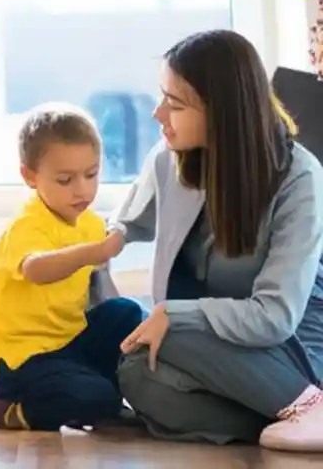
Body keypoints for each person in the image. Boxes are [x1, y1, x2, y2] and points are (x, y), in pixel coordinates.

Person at [113, 29, 323, 452]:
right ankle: (279, 417)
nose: (157, 114)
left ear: (223, 112)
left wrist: (174, 315)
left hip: (291, 349)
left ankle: (306, 401)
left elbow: (275, 316)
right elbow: (122, 227)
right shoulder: (169, 161)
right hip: (217, 346)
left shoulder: (299, 178)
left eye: (175, 104)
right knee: (135, 370)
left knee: (165, 335)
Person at [0, 103, 146, 431]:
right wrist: (92, 252)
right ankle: (5, 405)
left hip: (68, 344)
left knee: (125, 313)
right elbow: (36, 269)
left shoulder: (91, 224)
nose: (82, 189)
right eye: (65, 179)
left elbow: (100, 291)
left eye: (91, 174)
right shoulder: (27, 226)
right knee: (101, 397)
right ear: (30, 176)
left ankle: (90, 396)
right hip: (21, 359)